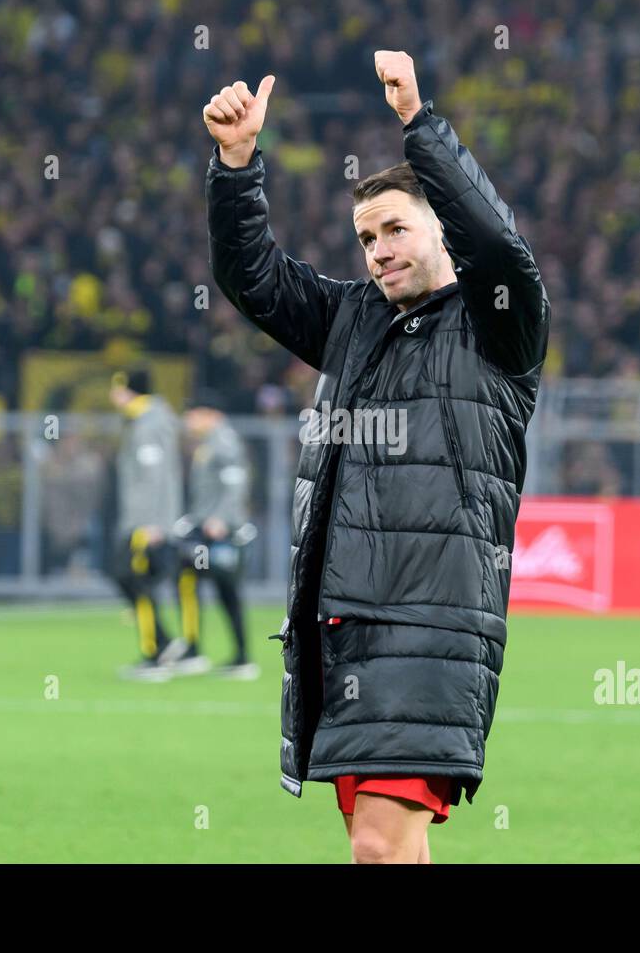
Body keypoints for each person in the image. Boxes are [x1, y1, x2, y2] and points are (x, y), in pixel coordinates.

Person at [203, 51, 549, 863]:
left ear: (443, 232)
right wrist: (235, 164)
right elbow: (251, 279)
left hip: (429, 632)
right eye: (367, 237)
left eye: (397, 229)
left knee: (378, 851)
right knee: (396, 854)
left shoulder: (500, 324)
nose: (378, 251)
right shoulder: (352, 320)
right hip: (346, 632)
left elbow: (502, 248)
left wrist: (420, 124)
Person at [165, 397, 257, 680]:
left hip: (220, 532)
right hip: (210, 528)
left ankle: (196, 649)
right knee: (221, 590)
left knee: (199, 581)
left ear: (210, 414)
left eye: (193, 414)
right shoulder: (212, 441)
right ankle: (238, 656)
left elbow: (235, 484)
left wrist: (221, 518)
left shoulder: (223, 442)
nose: (189, 421)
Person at [110, 367, 185, 681]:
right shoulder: (144, 421)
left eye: (117, 388)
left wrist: (152, 523)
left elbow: (153, 478)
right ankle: (164, 643)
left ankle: (155, 652)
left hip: (146, 524)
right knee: (132, 580)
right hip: (141, 522)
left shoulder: (147, 424)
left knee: (133, 578)